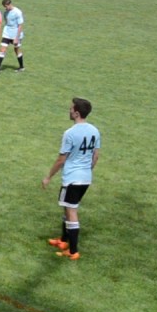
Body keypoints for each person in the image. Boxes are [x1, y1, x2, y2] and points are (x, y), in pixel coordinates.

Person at [42, 97, 101, 260]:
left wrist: (48, 177)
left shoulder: (70, 133)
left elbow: (61, 159)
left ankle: (73, 251)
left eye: (70, 109)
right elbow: (96, 155)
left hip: (72, 179)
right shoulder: (94, 130)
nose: (69, 111)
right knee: (67, 207)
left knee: (71, 210)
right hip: (85, 178)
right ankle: (63, 240)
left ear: (76, 113)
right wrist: (87, 170)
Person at [0, 0, 24, 74]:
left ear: (9, 4)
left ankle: (21, 67)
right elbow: (7, 22)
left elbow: (20, 25)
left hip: (16, 34)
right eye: (4, 7)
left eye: (6, 6)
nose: (5, 8)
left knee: (16, 49)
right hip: (7, 33)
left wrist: (16, 38)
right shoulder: (5, 12)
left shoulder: (17, 12)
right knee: (2, 49)